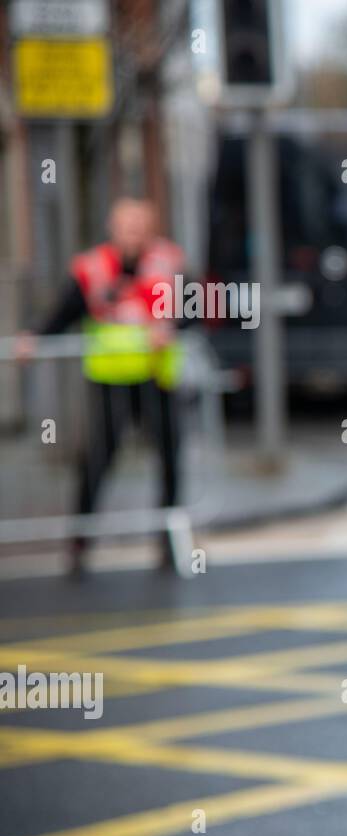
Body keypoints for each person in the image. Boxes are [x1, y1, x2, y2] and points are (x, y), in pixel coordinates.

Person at [17, 198, 187, 575]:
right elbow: (65, 311)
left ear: (151, 229)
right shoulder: (93, 269)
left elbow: (194, 311)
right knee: (96, 462)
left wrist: (172, 328)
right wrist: (36, 337)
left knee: (171, 459)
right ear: (113, 228)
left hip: (156, 378)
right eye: (127, 226)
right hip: (110, 382)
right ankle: (79, 543)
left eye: (141, 227)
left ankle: (169, 541)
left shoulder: (168, 263)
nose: (134, 235)